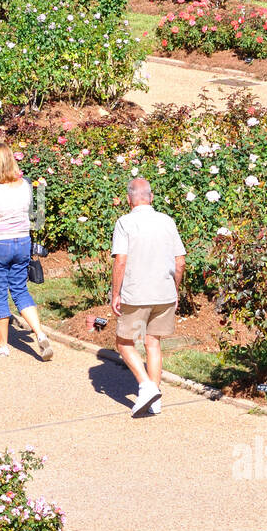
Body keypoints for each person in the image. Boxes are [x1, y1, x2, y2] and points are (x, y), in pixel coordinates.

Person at [111, 177, 185, 416]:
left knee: (124, 343)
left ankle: (146, 386)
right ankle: (155, 401)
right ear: (151, 197)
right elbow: (180, 261)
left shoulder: (125, 222)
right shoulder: (167, 221)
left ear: (129, 200)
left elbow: (120, 261)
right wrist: (175, 289)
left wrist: (115, 292)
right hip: (164, 292)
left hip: (136, 294)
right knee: (153, 343)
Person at [0, 142, 53, 360]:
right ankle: (40, 333)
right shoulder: (24, 186)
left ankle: (2, 345)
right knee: (20, 289)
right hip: (22, 242)